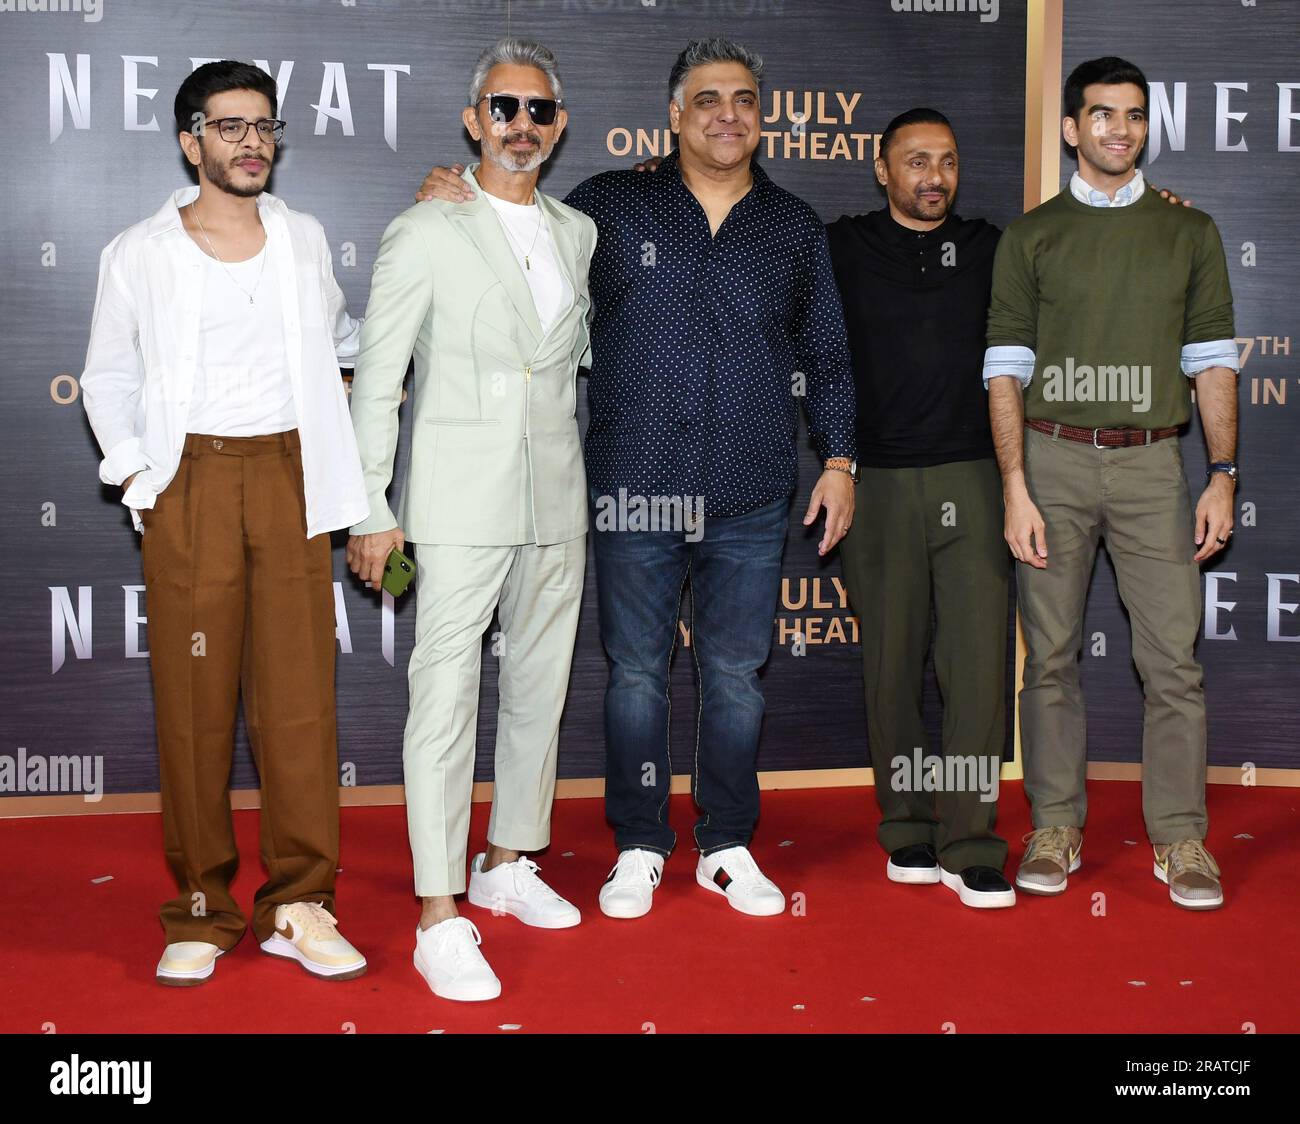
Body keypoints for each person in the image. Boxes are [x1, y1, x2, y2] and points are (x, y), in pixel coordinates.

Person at [416, 37, 856, 921]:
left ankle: (728, 842)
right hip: (633, 485)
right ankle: (640, 845)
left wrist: (839, 459)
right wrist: (458, 196)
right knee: (634, 675)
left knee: (736, 675)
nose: (726, 114)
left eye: (742, 99)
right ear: (674, 114)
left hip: (750, 487)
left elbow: (831, 357)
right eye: (707, 99)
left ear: (761, 117)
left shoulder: (795, 228)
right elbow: (519, 243)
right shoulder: (605, 209)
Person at [80, 60, 370, 985]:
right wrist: (140, 477)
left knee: (297, 705)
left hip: (292, 478)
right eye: (230, 125)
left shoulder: (305, 239)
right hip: (189, 483)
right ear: (190, 139)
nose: (251, 142)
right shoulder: (138, 251)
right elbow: (108, 378)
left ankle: (300, 905)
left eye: (264, 126)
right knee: (195, 710)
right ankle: (200, 913)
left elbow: (343, 345)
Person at [347, 39, 595, 1002]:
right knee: (444, 702)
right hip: (452, 504)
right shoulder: (425, 228)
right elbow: (380, 379)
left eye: (538, 110)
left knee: (539, 686)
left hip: (556, 501)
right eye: (504, 108)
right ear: (472, 118)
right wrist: (372, 505)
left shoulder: (579, 233)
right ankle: (438, 910)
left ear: (560, 124)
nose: (521, 126)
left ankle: (507, 860)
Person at [984, 56, 1239, 910]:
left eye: (1132, 116)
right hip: (1051, 461)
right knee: (1049, 658)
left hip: (1152, 466)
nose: (1119, 130)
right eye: (1101, 115)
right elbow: (1005, 374)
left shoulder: (1188, 233)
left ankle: (1181, 839)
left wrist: (1223, 475)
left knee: (1173, 661)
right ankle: (1054, 823)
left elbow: (1210, 367)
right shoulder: (1030, 236)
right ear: (1071, 129)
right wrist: (1015, 486)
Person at [827, 109, 1015, 909]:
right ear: (881, 169)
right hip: (878, 484)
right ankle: (907, 827)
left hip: (976, 477)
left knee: (975, 671)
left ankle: (971, 842)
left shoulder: (993, 248)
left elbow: (1081, 258)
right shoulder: (840, 245)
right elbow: (739, 204)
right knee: (892, 668)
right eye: (914, 161)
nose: (932, 176)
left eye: (945, 160)